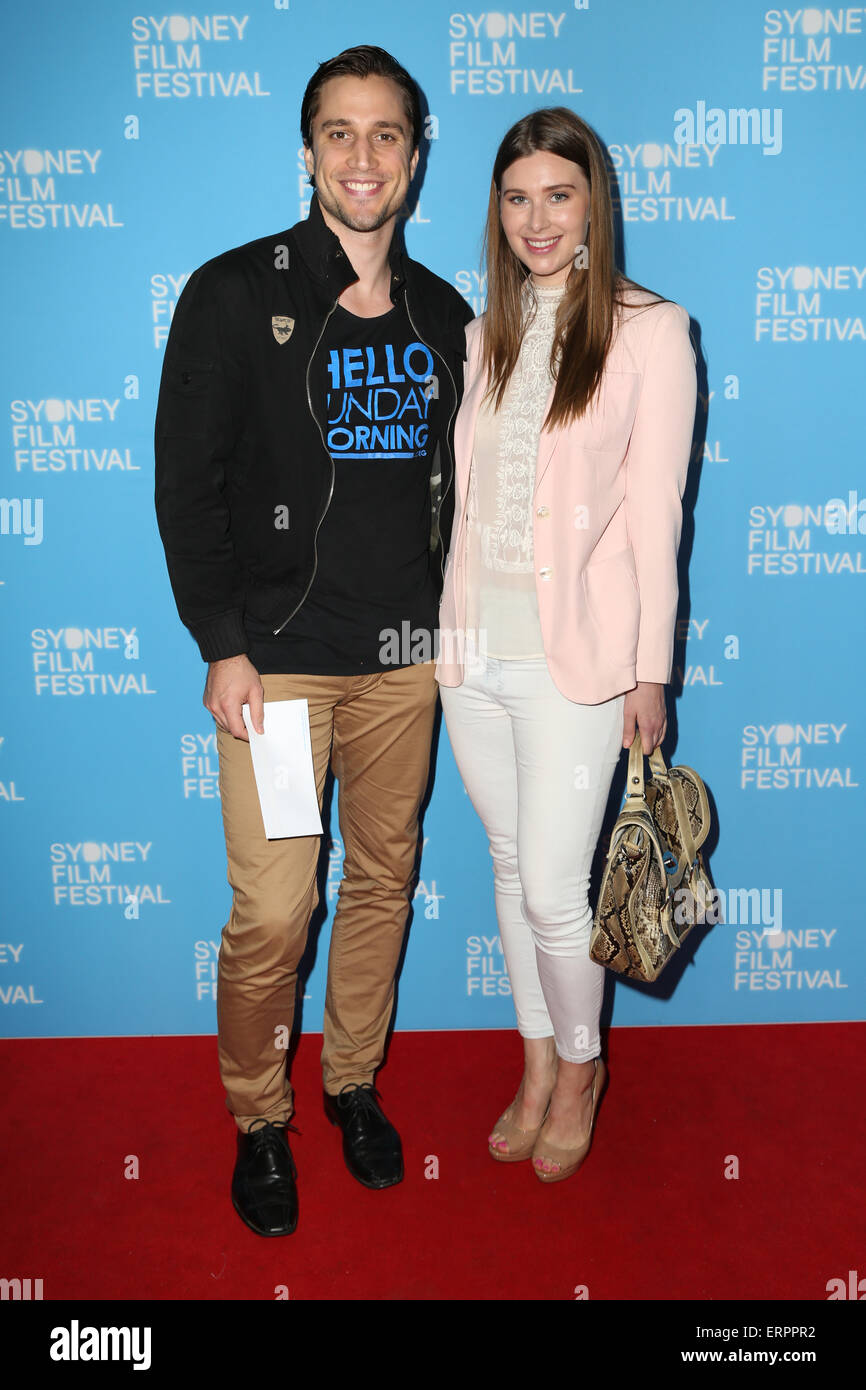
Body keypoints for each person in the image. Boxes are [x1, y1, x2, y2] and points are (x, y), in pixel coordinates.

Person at [154, 45, 473, 1236]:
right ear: (305, 152)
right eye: (338, 133)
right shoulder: (234, 293)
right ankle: (256, 1116)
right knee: (278, 910)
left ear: (414, 154)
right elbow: (188, 486)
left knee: (383, 884)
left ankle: (348, 1083)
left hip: (403, 666)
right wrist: (222, 642)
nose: (361, 158)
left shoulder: (446, 315)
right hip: (279, 668)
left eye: (384, 134)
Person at [436, 107, 697, 1183]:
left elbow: (654, 518)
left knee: (552, 888)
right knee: (507, 869)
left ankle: (581, 1068)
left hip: (577, 661)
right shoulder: (479, 332)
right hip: (469, 650)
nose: (534, 219)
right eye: (514, 197)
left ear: (593, 204)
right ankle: (534, 1058)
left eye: (556, 194)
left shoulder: (650, 330)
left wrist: (649, 672)